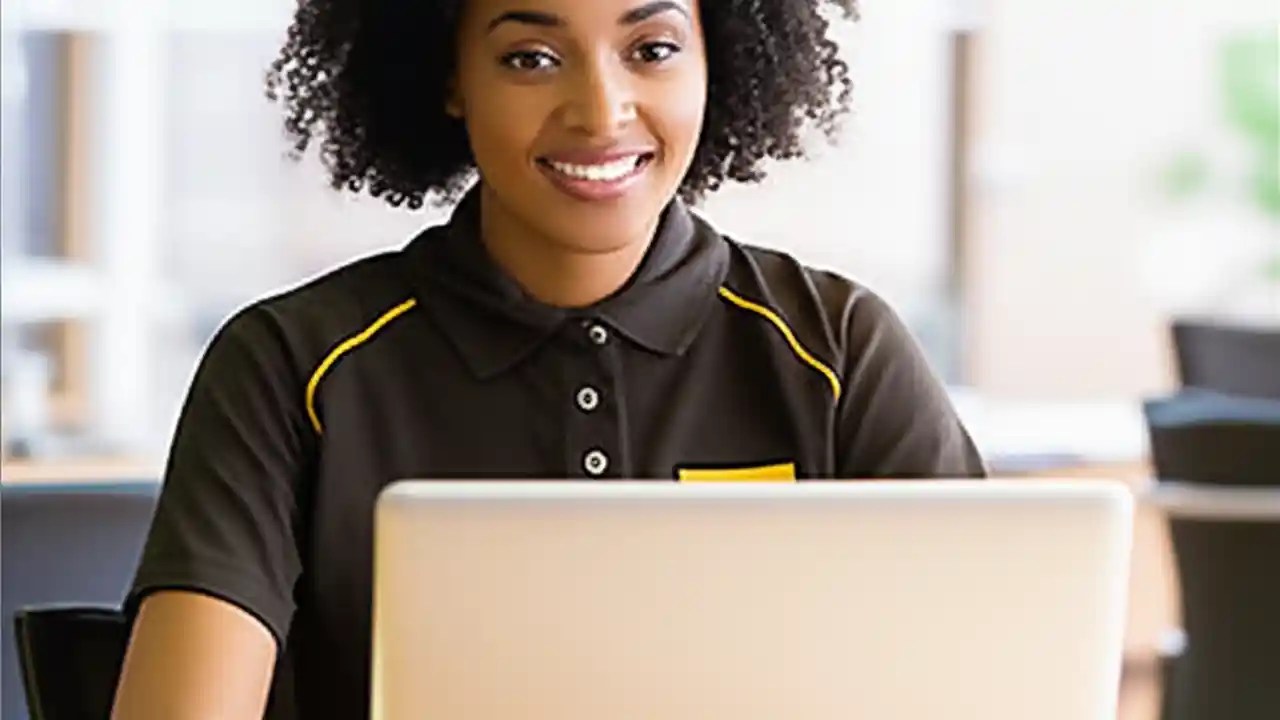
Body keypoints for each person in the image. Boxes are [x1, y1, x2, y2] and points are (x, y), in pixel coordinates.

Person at [112, 0, 985, 717]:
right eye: (531, 57)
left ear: (715, 60)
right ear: (451, 77)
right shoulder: (289, 367)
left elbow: (986, 682)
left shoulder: (836, 354)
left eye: (651, 48)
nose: (601, 111)